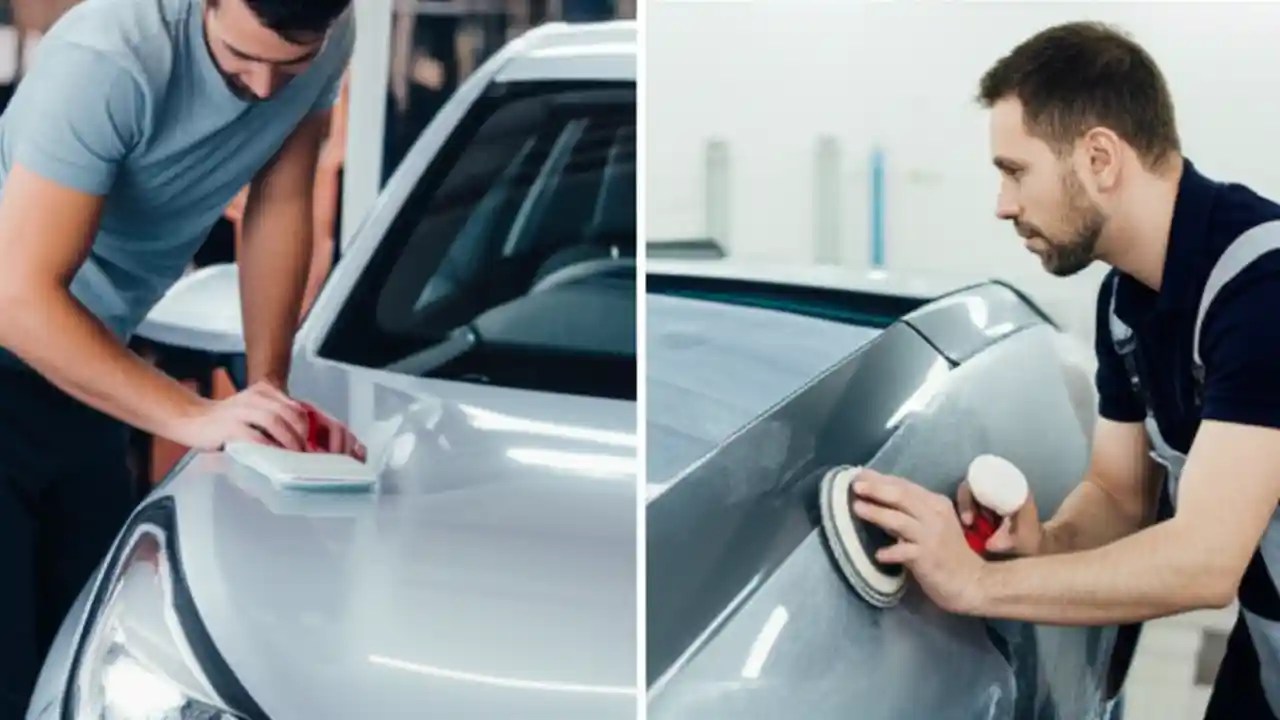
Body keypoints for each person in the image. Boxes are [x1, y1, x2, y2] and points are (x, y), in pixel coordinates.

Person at [848, 21, 1280, 719]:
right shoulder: (1124, 304)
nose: (1003, 205)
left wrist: (974, 587)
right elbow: (1118, 494)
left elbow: (1205, 559)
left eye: (1015, 171)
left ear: (1100, 157)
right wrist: (1043, 543)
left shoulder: (1262, 290)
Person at [0, 0, 365, 714]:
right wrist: (196, 415)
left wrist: (267, 398)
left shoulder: (326, 34)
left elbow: (280, 203)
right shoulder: (108, 60)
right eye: (239, 60)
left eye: (287, 65)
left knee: (85, 658)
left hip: (83, 365)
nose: (264, 88)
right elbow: (17, 301)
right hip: (21, 335)